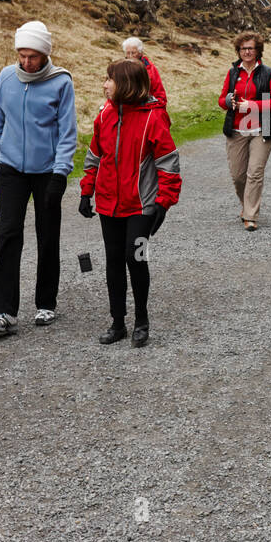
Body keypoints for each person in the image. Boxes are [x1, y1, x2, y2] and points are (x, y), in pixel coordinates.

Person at [0, 21, 78, 334]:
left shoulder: (61, 82)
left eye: (33, 56)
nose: (26, 62)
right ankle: (2, 311)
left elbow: (67, 133)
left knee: (47, 235)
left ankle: (45, 303)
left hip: (47, 171)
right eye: (21, 55)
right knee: (9, 234)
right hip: (11, 167)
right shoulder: (6, 77)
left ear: (45, 53)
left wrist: (61, 172)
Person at [80, 59, 181, 346]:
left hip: (141, 206)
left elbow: (168, 163)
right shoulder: (104, 115)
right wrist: (86, 192)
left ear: (125, 83)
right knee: (113, 261)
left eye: (109, 80)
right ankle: (117, 323)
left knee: (135, 258)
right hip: (108, 205)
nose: (104, 85)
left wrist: (164, 202)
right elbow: (94, 157)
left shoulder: (154, 117)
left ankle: (142, 321)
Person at [219, 31, 271, 231]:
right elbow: (222, 100)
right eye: (243, 48)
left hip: (262, 128)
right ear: (238, 51)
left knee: (254, 173)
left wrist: (252, 105)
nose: (246, 51)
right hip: (236, 129)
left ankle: (250, 216)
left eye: (250, 48)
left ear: (257, 50)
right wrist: (230, 101)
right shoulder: (232, 73)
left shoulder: (268, 73)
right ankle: (246, 205)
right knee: (238, 176)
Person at [122, 36, 167, 110]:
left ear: (140, 53)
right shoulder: (121, 68)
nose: (130, 56)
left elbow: (159, 92)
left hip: (145, 106)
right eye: (127, 53)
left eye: (133, 53)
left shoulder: (150, 69)